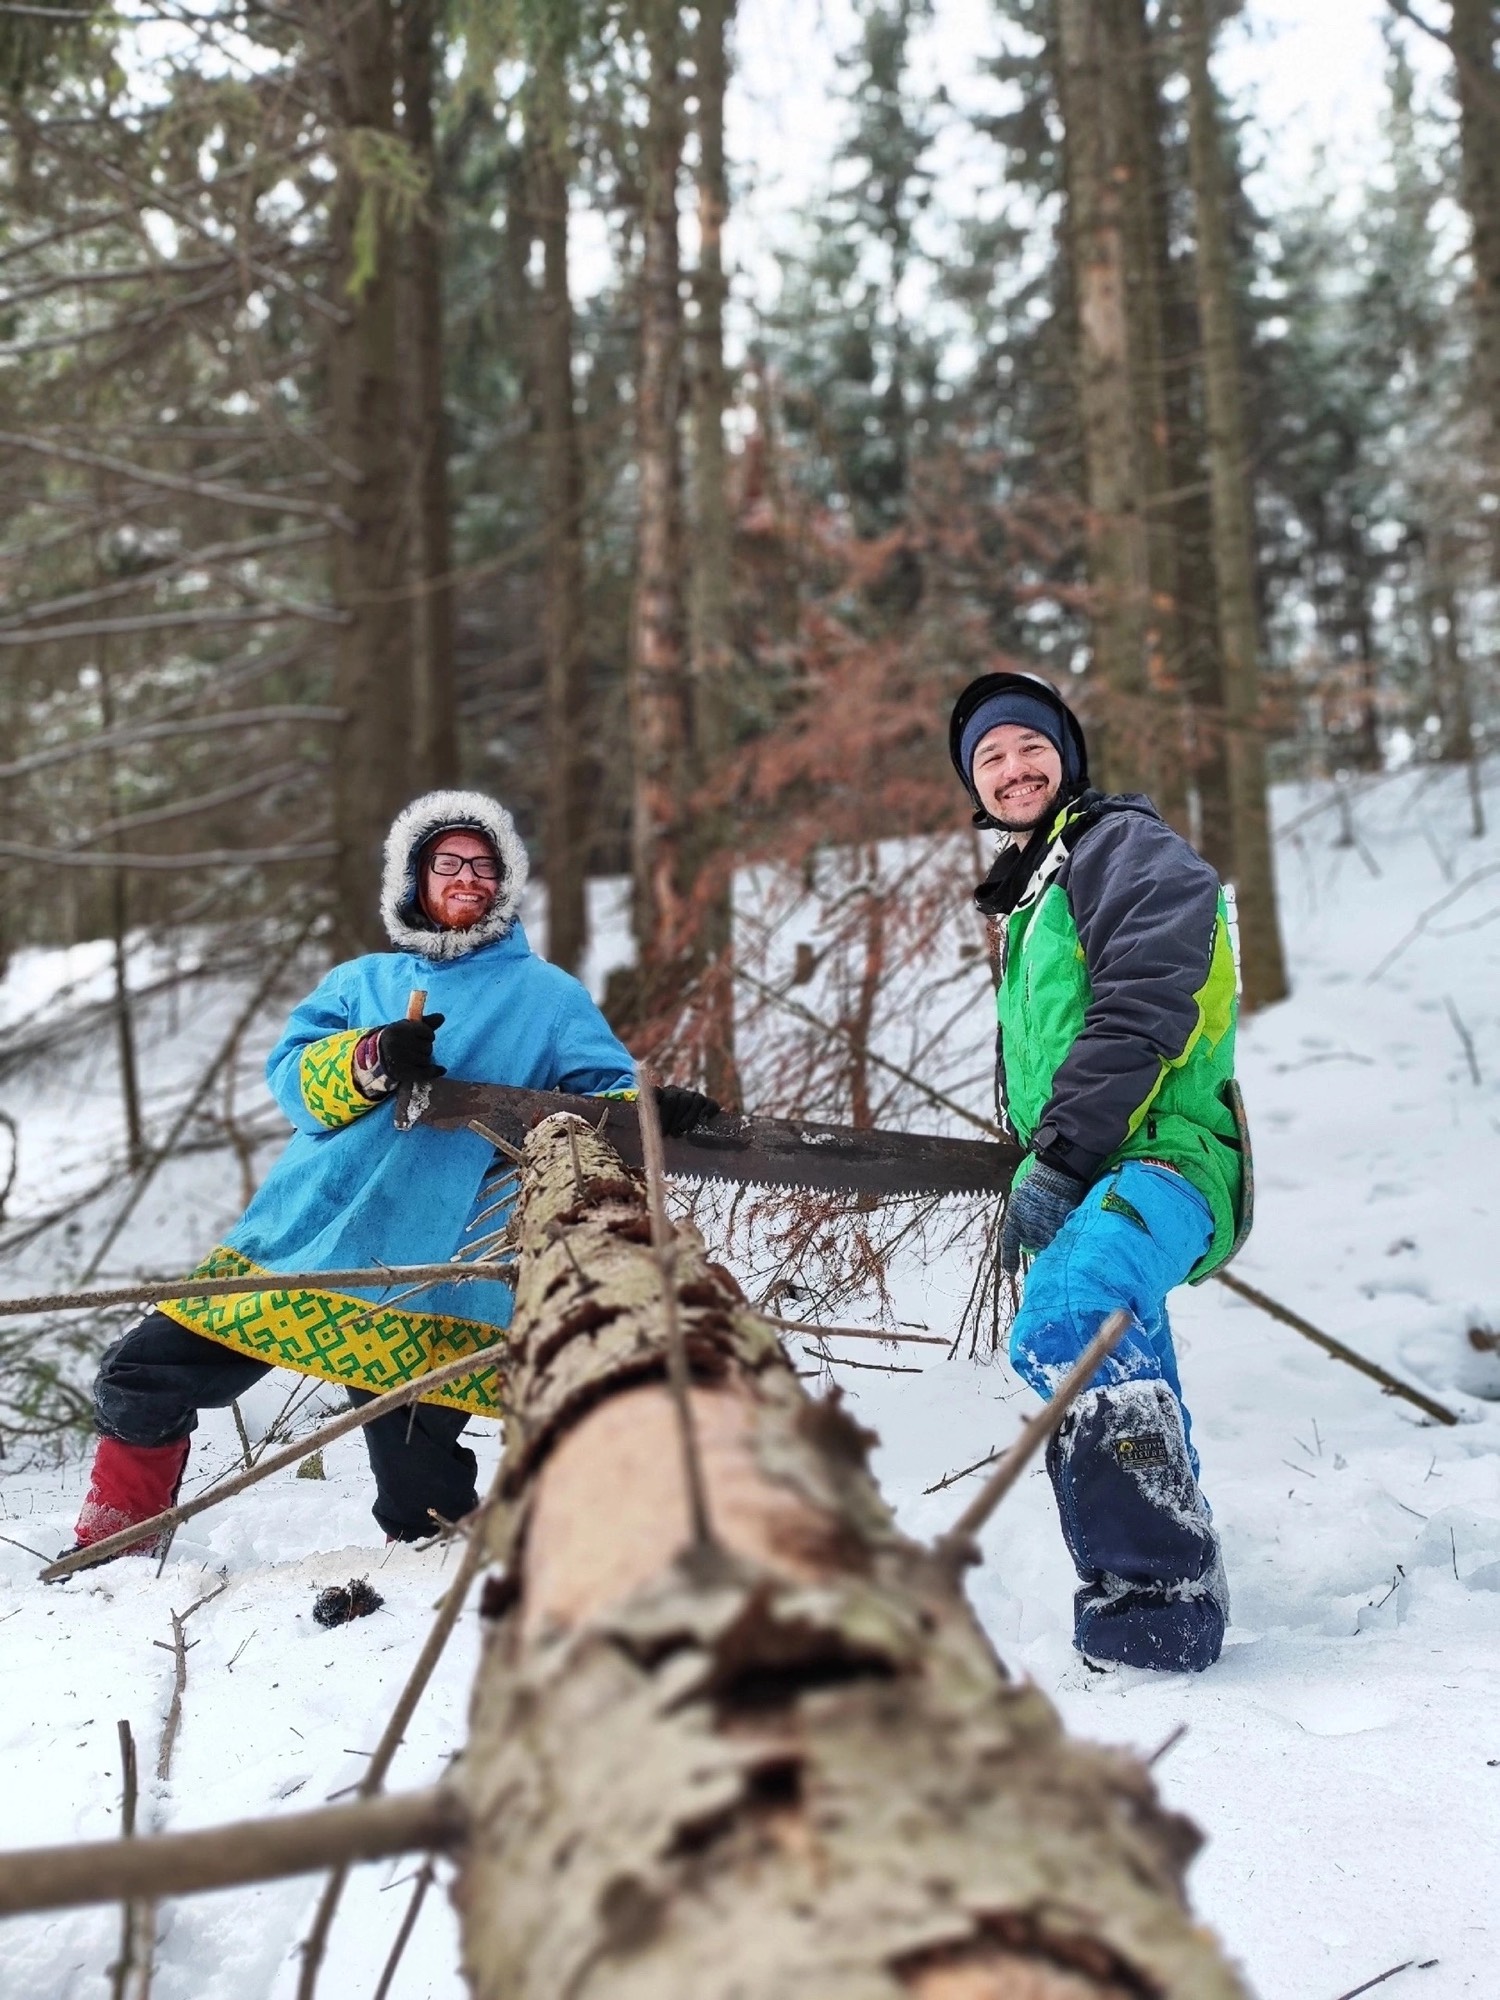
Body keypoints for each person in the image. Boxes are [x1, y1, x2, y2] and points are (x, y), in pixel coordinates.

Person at [70, 789, 717, 1556]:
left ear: (505, 882)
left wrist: (647, 1108)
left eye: (485, 865)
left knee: (422, 1506)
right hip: (307, 1241)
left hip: (430, 1268)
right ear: (414, 879)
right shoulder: (360, 982)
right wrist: (370, 1059)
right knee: (142, 1375)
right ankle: (113, 1549)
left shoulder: (549, 997)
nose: (467, 877)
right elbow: (291, 1084)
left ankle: (434, 1608)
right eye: (448, 862)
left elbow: (597, 1100)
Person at [949, 674, 1250, 1673]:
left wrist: (1065, 1154)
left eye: (1029, 745)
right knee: (1122, 1351)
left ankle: (1155, 1607)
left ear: (1067, 755)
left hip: (1163, 1154)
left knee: (1074, 1315)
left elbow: (1146, 999)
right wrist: (1049, 1155)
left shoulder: (1120, 846)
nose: (1012, 766)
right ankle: (1177, 1584)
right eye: (989, 757)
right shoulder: (1040, 889)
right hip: (1102, 1164)